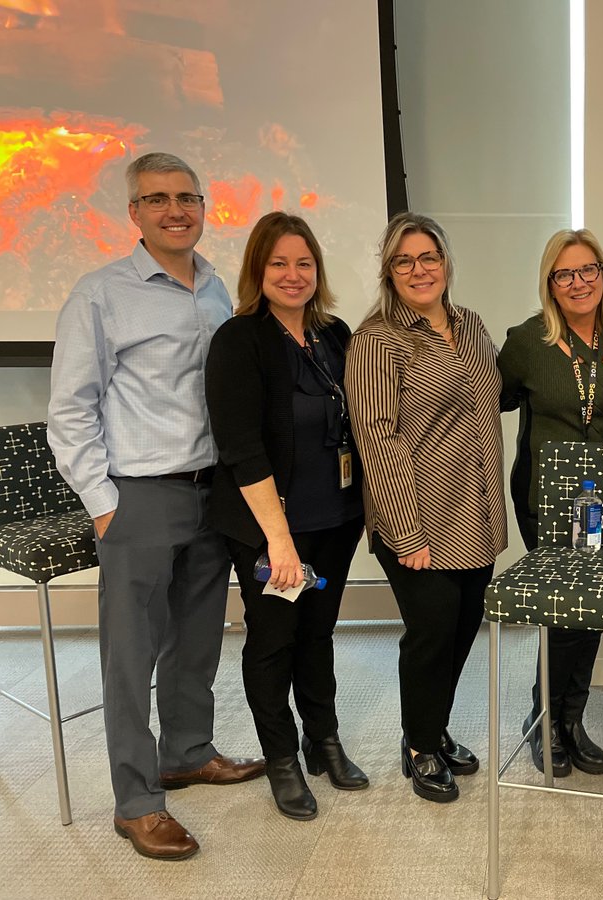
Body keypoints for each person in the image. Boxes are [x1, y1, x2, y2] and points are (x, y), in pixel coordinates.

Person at [47, 152, 264, 861]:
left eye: (187, 197)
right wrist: (103, 504)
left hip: (211, 491)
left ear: (203, 206)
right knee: (130, 655)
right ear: (134, 213)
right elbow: (70, 410)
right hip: (137, 496)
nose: (176, 210)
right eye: (158, 199)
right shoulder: (100, 294)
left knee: (197, 640)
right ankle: (137, 801)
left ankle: (187, 752)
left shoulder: (216, 287)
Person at [205, 212, 368, 821]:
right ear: (258, 270)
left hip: (335, 518)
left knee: (318, 633)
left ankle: (323, 740)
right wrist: (279, 540)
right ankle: (281, 758)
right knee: (274, 640)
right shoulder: (239, 340)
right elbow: (241, 448)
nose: (293, 275)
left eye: (304, 263)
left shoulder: (334, 335)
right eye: (279, 263)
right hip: (269, 528)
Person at [345, 212, 506, 804]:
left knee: (462, 629)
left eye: (429, 257)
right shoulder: (377, 341)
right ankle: (419, 745)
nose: (419, 270)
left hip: (476, 511)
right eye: (404, 261)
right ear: (389, 271)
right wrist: (406, 532)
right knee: (432, 632)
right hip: (418, 517)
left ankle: (434, 727)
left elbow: (488, 403)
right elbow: (377, 439)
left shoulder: (471, 324)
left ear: (445, 263)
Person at [498, 228, 603, 778]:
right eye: (565, 274)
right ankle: (544, 719)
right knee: (562, 611)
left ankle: (572, 721)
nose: (578, 282)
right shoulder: (527, 341)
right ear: (550, 283)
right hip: (544, 498)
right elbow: (489, 402)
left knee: (590, 612)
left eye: (588, 270)